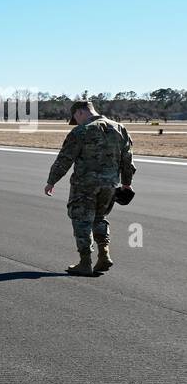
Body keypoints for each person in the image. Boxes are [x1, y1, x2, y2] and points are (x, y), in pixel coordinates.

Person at [45, 99, 135, 276]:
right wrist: (126, 183)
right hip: (109, 185)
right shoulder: (119, 128)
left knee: (81, 220)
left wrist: (51, 181)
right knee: (100, 217)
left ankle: (85, 262)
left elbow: (64, 159)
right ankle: (104, 254)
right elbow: (128, 160)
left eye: (75, 118)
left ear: (79, 112)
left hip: (84, 185)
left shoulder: (81, 131)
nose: (76, 122)